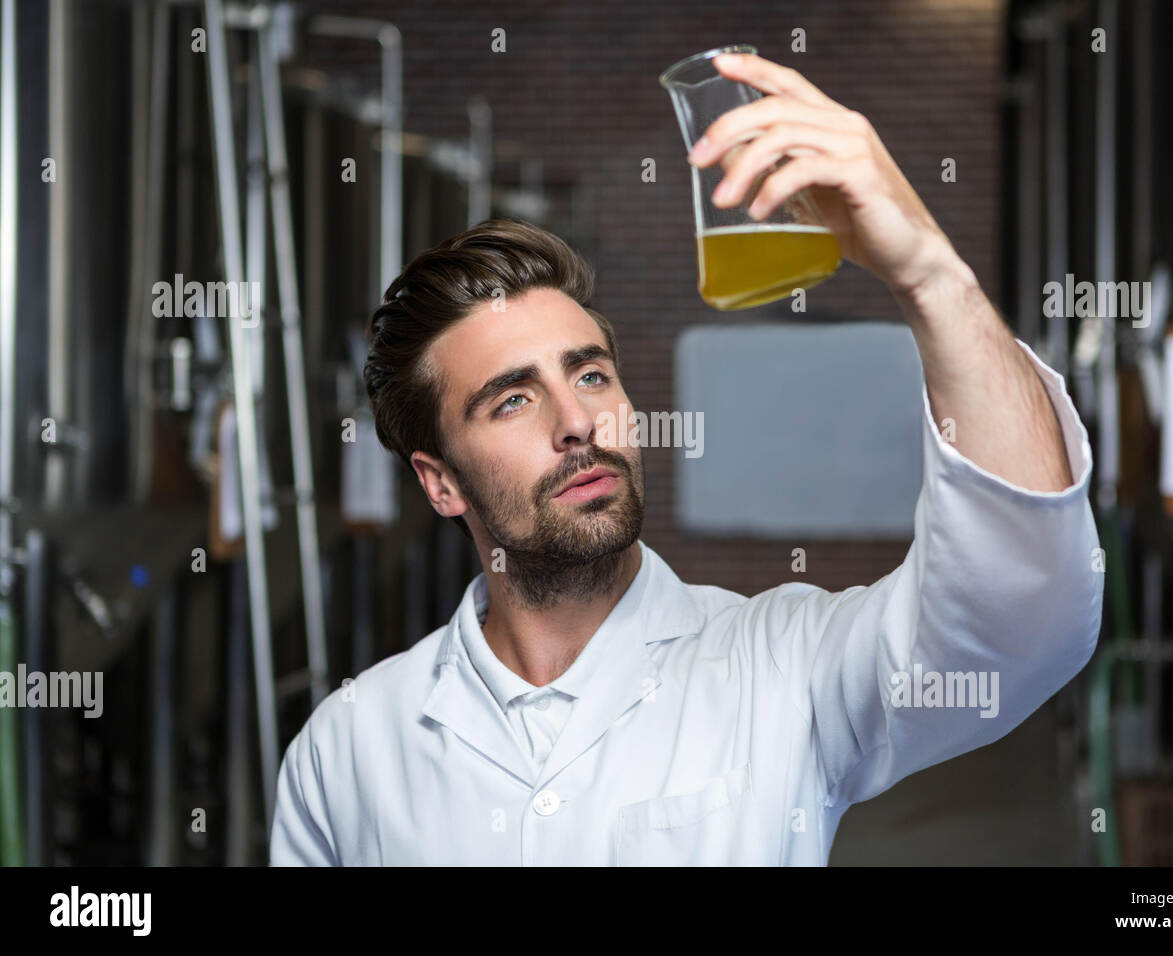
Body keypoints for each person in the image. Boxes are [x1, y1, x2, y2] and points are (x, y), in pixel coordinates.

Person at [269, 51, 1101, 866]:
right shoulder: (348, 752)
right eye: (513, 399)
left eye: (590, 373)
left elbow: (1025, 614)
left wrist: (929, 272)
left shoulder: (783, 669)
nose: (578, 422)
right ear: (440, 482)